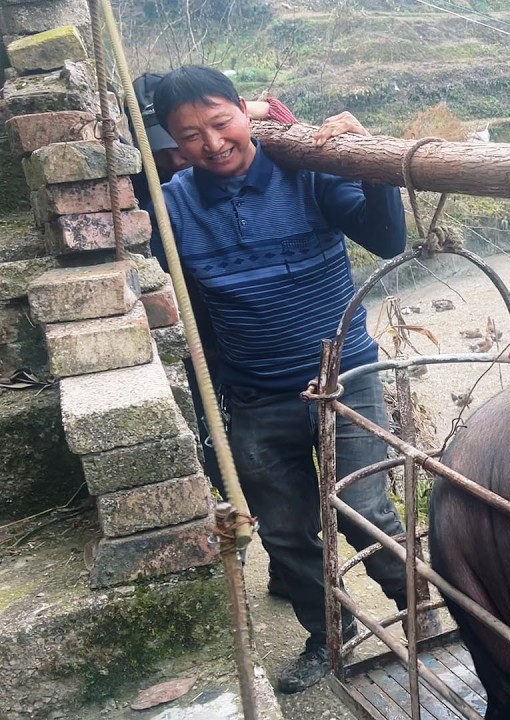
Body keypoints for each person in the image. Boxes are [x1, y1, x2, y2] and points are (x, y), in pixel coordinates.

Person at [150, 65, 411, 693]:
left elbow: (387, 237)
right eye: (190, 136)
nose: (212, 144)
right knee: (287, 530)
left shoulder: (307, 173)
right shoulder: (172, 209)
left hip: (347, 379)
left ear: (247, 111)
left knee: (365, 509)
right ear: (171, 142)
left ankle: (429, 612)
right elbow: (180, 304)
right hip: (255, 398)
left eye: (220, 123)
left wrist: (370, 162)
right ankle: (329, 634)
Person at [130, 70, 300, 601]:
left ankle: (289, 571)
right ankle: (287, 571)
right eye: (178, 145)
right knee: (258, 487)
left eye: (219, 125)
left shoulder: (247, 162)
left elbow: (275, 142)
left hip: (257, 347)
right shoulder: (159, 199)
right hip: (215, 358)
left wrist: (269, 118)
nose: (195, 152)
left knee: (336, 498)